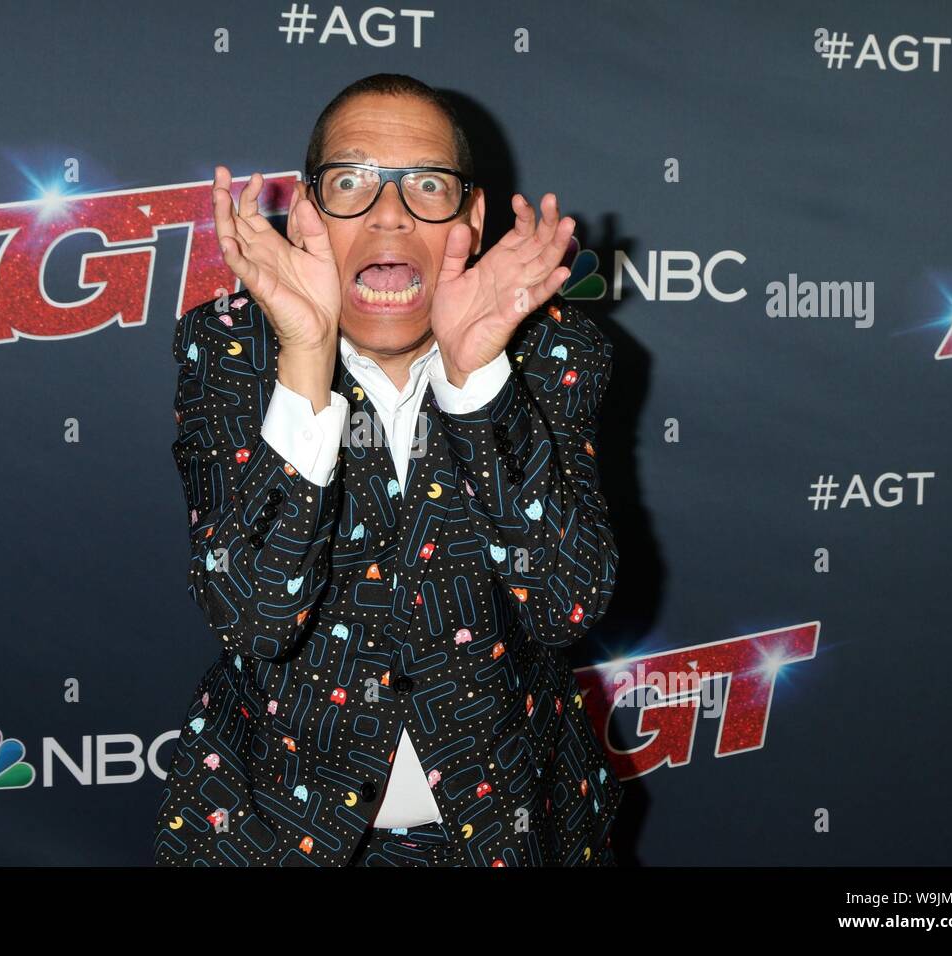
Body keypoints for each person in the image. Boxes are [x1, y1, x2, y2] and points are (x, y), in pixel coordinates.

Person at [154, 73, 622, 866]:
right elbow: (252, 615)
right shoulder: (231, 346)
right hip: (273, 834)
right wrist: (305, 354)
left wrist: (477, 386)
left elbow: (567, 607)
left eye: (427, 185)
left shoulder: (552, 352)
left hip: (506, 832)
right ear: (307, 215)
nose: (390, 214)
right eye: (351, 183)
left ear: (469, 223)